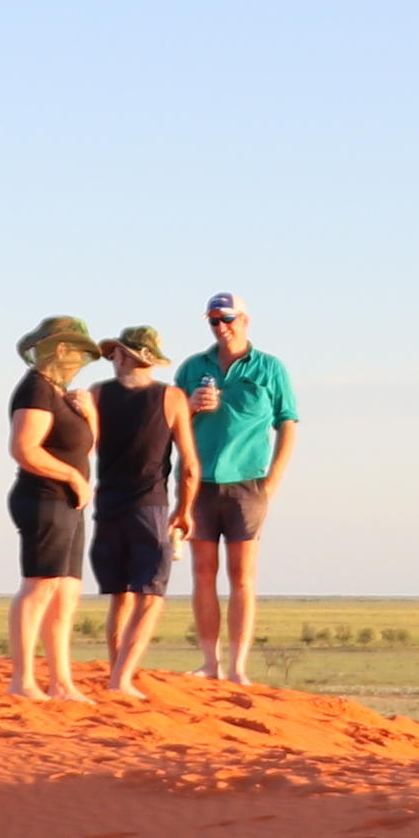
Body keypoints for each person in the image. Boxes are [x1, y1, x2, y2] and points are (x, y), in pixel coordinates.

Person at [174, 291, 298, 683]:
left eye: (227, 318)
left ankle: (239, 667)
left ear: (245, 320)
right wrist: (190, 405)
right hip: (199, 481)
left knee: (242, 575)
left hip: (248, 483)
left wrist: (273, 480)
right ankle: (210, 663)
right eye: (214, 321)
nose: (221, 327)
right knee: (202, 572)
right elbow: (169, 421)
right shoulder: (193, 368)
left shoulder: (270, 368)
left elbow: (288, 422)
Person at [86, 325, 198, 698]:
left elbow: (84, 448)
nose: (112, 358)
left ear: (125, 355)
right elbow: (189, 466)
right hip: (150, 507)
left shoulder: (96, 395)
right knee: (150, 595)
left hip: (107, 507)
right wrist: (186, 510)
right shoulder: (172, 398)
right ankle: (121, 679)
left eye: (115, 352)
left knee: (121, 596)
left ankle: (119, 672)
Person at [4, 316, 99, 698]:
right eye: (75, 350)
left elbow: (84, 448)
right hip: (43, 497)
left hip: (68, 502)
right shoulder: (35, 390)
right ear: (58, 349)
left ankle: (61, 681)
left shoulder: (60, 393)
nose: (79, 359)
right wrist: (73, 478)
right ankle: (23, 680)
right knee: (40, 585)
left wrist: (90, 416)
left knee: (66, 590)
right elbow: (24, 448)